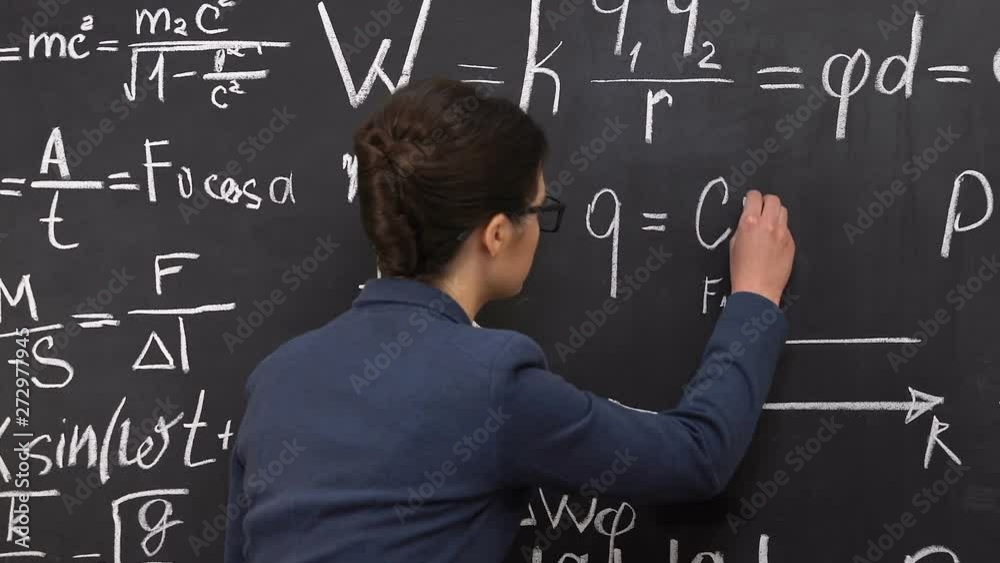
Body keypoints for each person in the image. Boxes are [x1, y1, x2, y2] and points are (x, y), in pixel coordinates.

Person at [223, 78, 795, 563]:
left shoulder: (275, 379)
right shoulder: (490, 380)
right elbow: (695, 458)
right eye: (540, 210)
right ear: (497, 233)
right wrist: (755, 299)